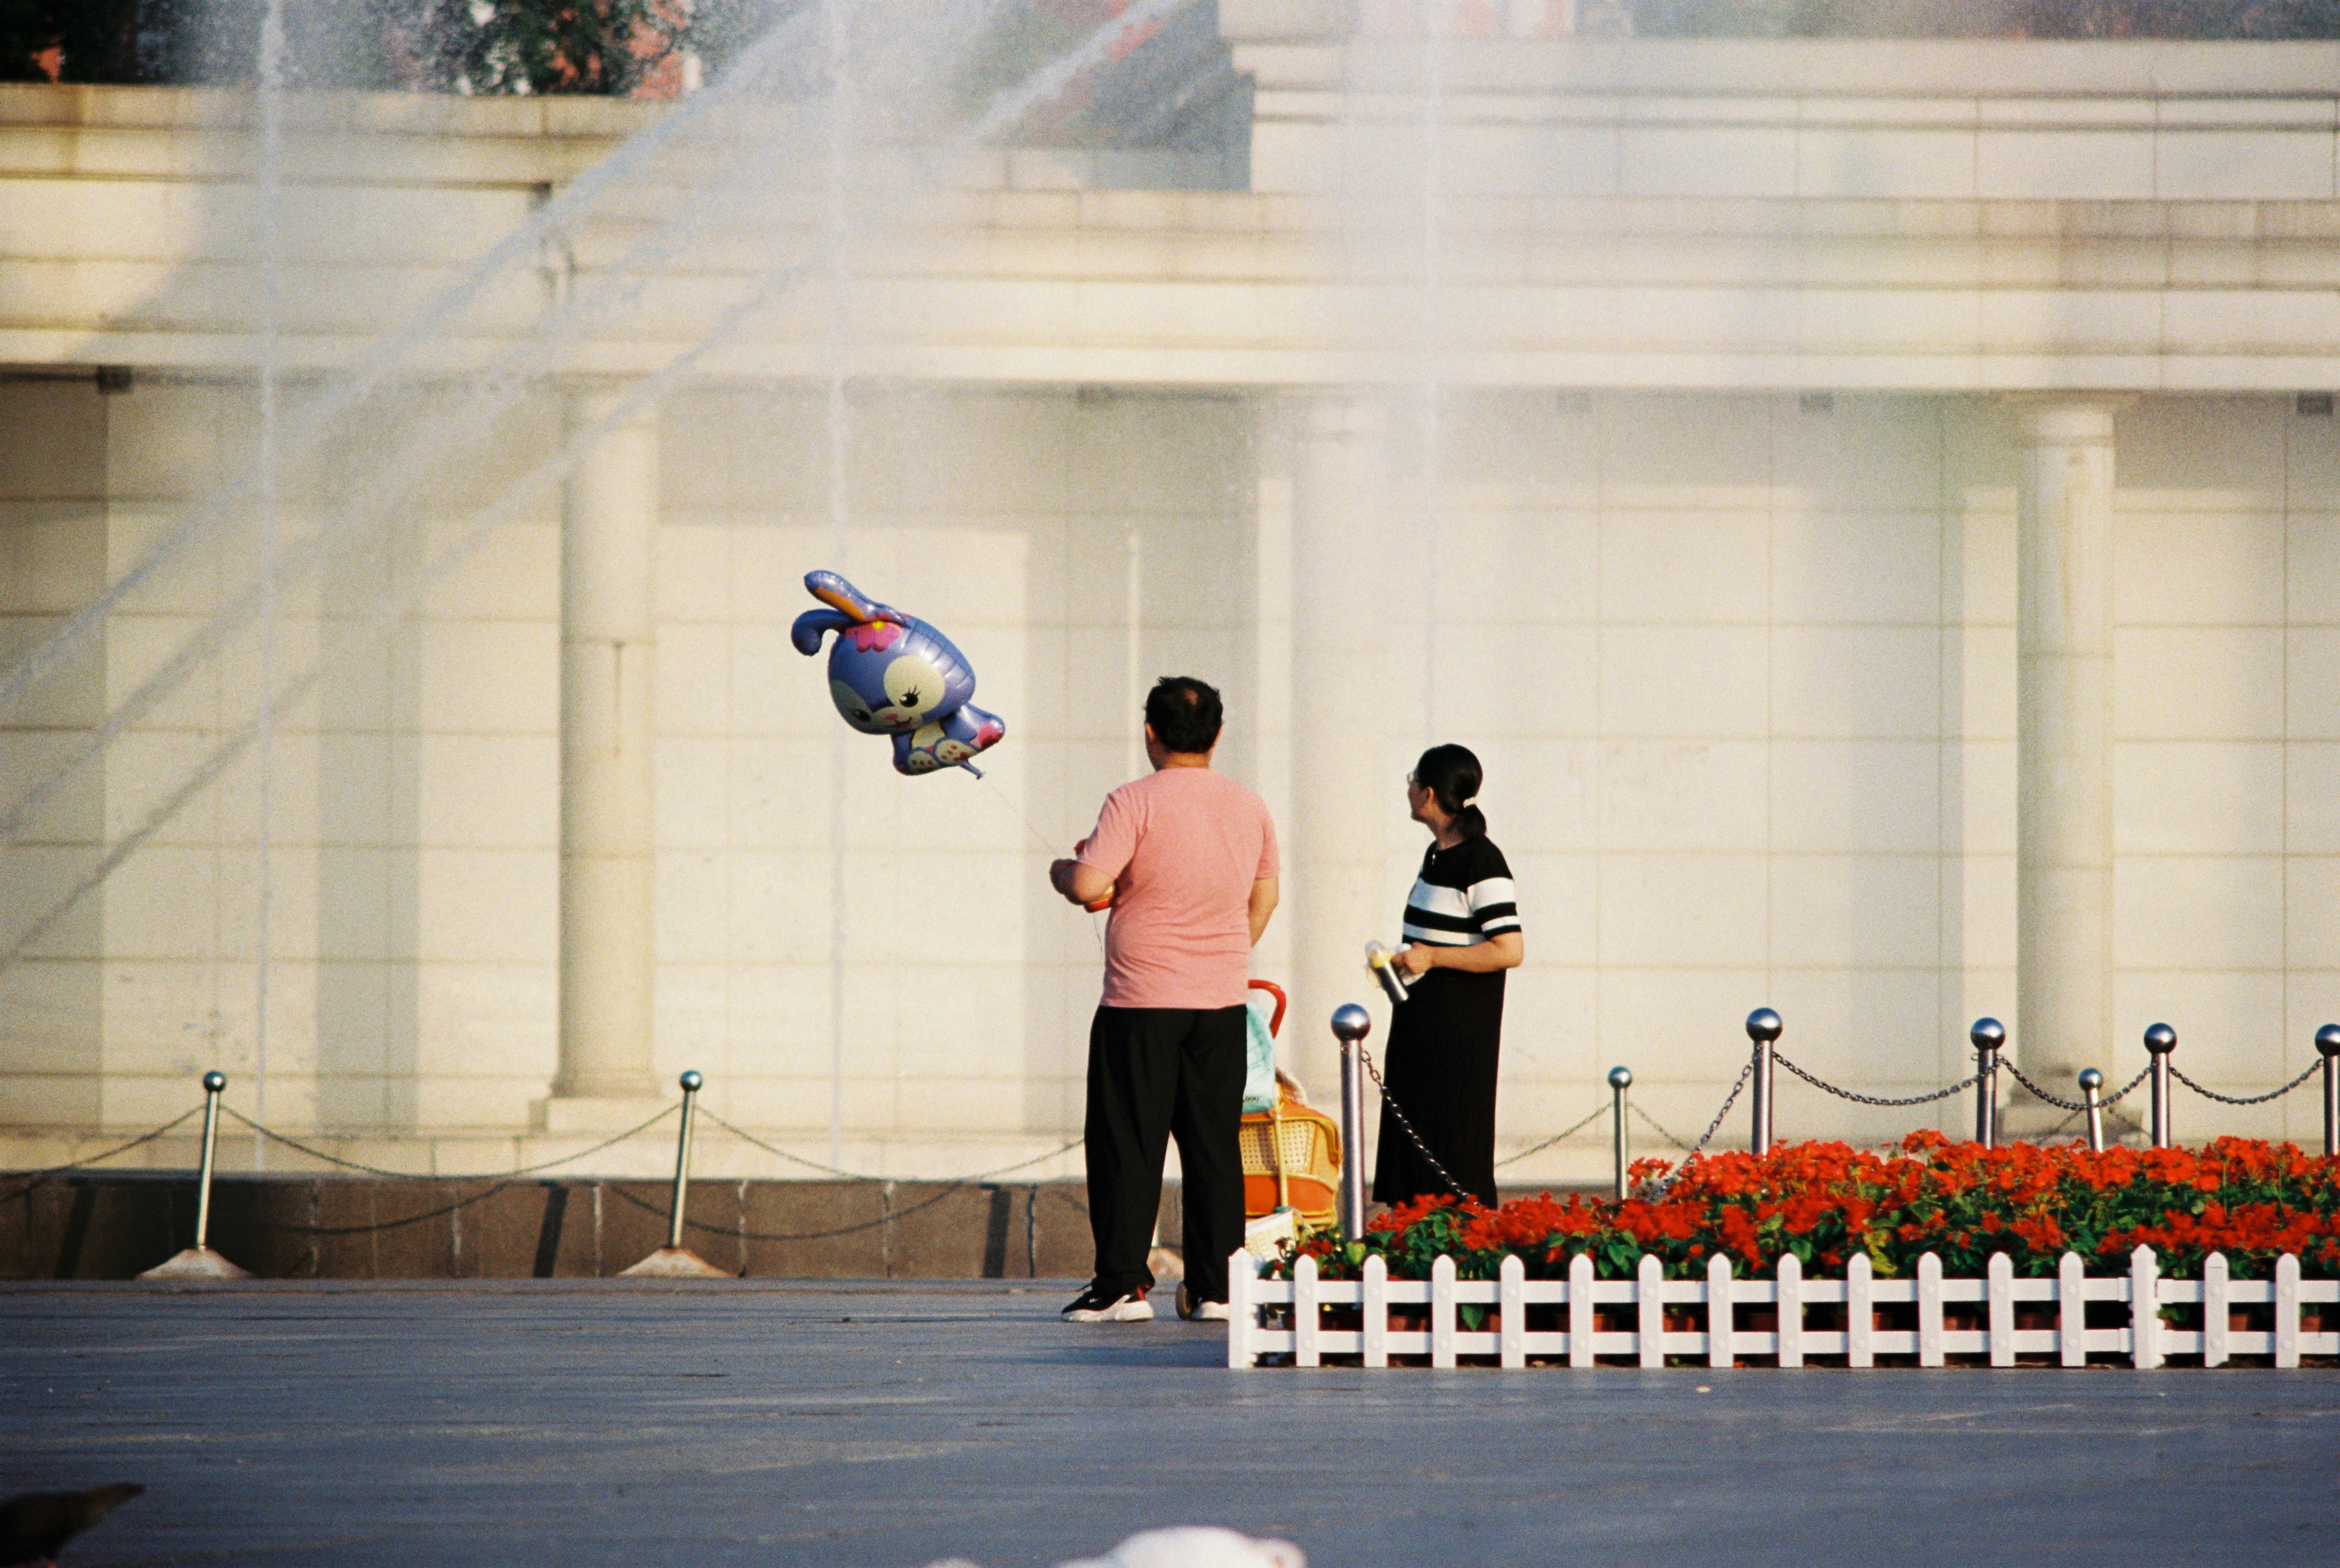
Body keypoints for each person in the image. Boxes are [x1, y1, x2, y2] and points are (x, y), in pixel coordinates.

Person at [1048, 677, 1279, 1324]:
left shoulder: (1132, 801)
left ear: (1150, 732)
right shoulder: (1248, 806)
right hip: (1220, 1001)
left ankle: (1121, 1283)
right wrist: (1223, 952)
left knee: (1128, 1142)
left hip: (1139, 1002)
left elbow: (1091, 882)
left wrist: (1062, 872)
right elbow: (1264, 898)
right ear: (1218, 735)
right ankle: (1215, 1288)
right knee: (1212, 1145)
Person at [1374, 744, 1523, 1210]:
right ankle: (1414, 1248)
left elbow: (1509, 950)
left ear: (1429, 793)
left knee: (1451, 1148)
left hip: (1457, 1040)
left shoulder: (1482, 860)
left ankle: (1460, 1250)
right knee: (1413, 1147)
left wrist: (1432, 958)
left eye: (1412, 779)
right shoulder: (1436, 855)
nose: (1409, 787)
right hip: (1418, 1027)